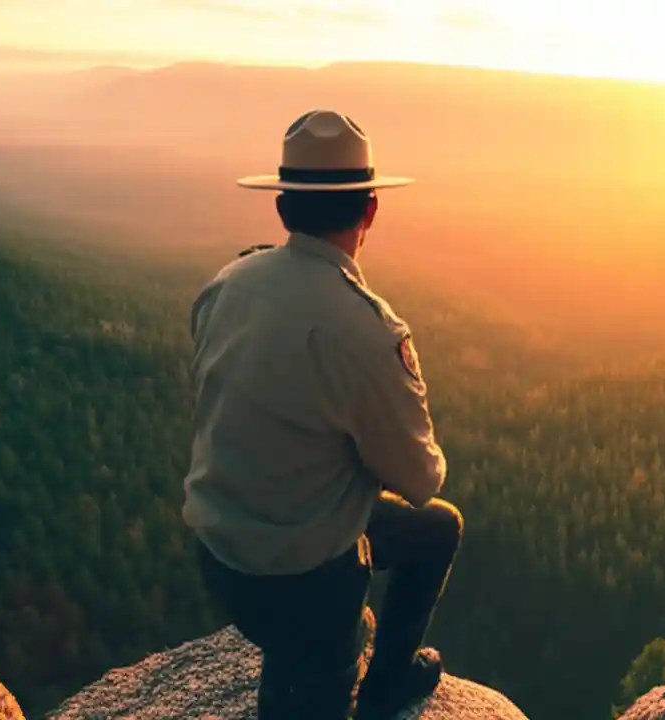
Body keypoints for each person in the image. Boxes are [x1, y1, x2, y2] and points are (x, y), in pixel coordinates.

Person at [182, 109, 462, 720]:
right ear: (370, 211)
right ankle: (378, 684)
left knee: (415, 530)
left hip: (220, 556)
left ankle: (303, 676)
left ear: (282, 208)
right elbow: (420, 480)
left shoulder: (226, 286)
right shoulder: (366, 329)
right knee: (437, 526)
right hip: (304, 588)